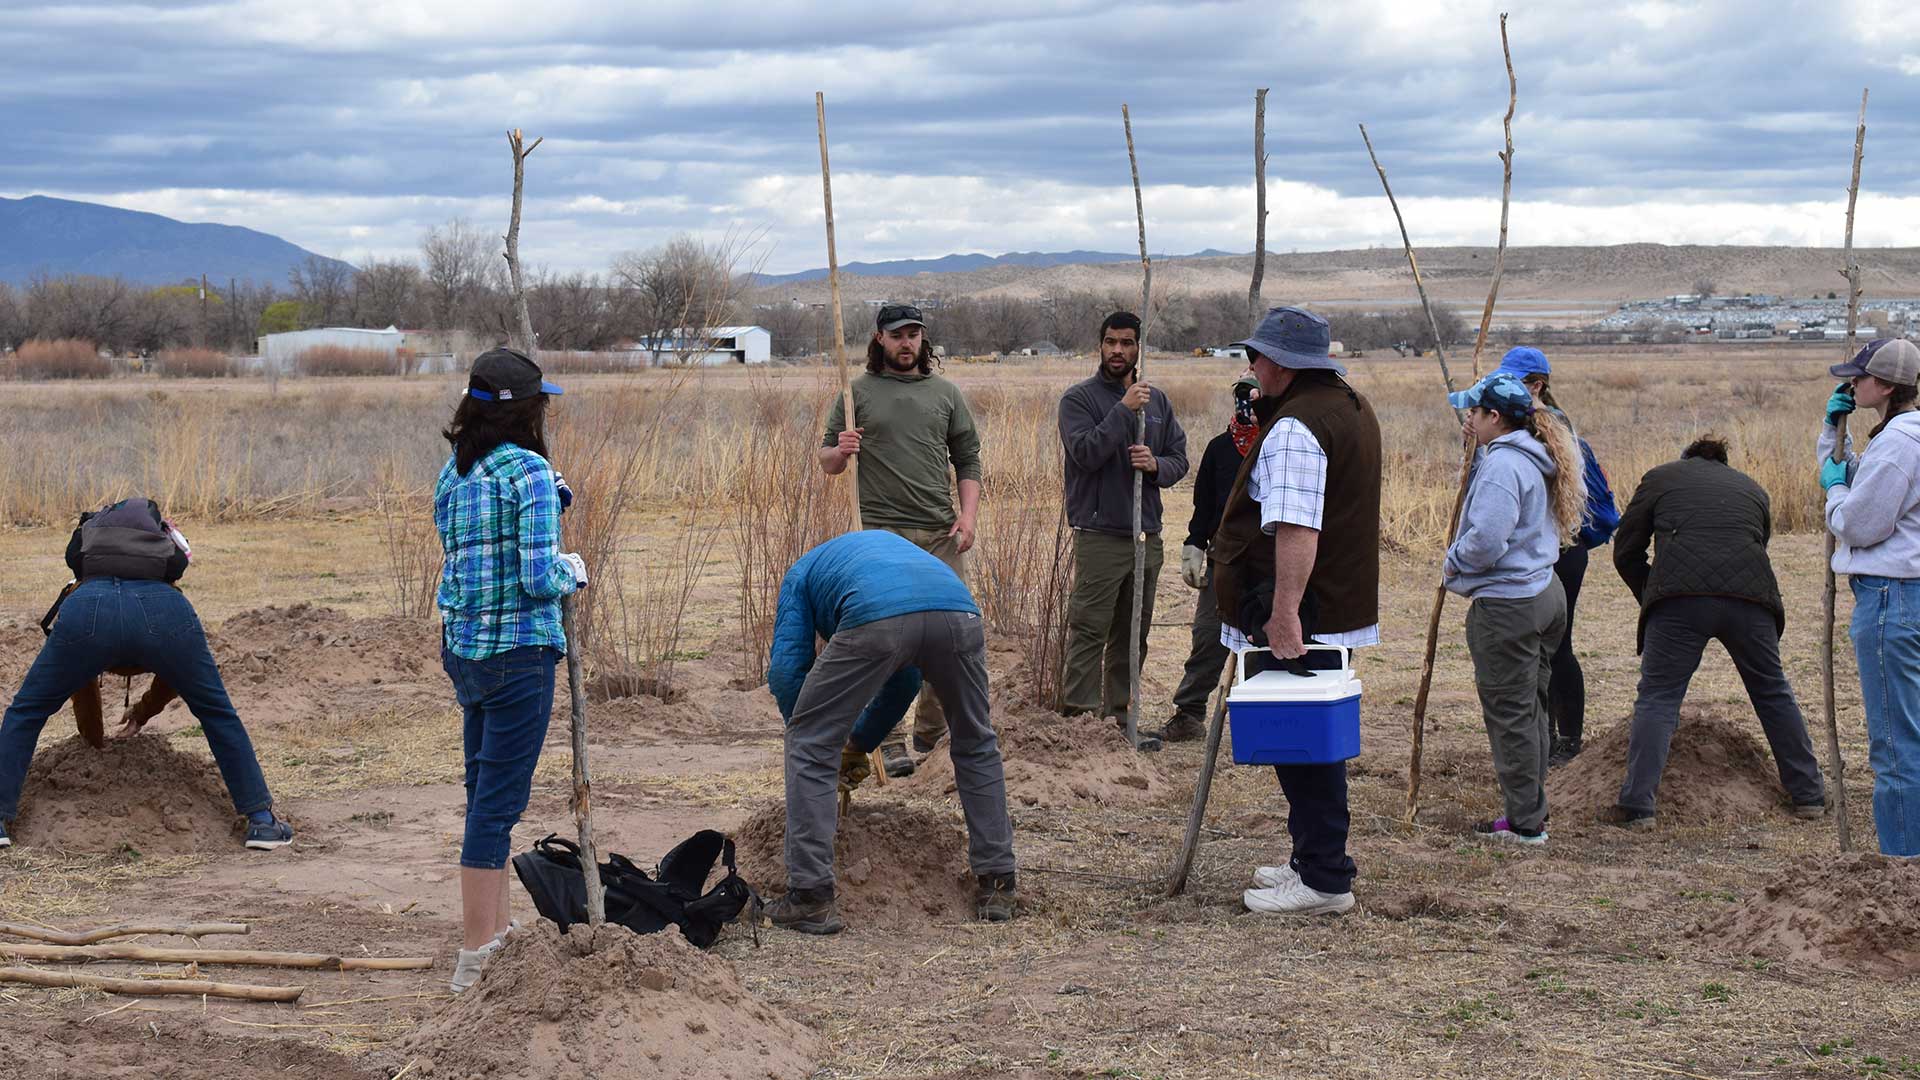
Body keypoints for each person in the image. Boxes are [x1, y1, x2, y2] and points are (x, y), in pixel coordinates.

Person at [1209, 307, 1380, 916]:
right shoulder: (1348, 406)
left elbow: (1298, 527)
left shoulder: (1296, 429)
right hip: (1328, 602)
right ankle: (1311, 859)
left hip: (1305, 611)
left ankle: (1325, 879)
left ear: (1281, 363)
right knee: (1304, 740)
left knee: (1304, 741)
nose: (1251, 367)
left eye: (1256, 356)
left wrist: (1284, 613)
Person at [0, 497, 292, 852]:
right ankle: (262, 823)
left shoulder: (85, 565)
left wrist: (95, 738)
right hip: (165, 611)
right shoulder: (166, 555)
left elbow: (80, 682)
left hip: (88, 610)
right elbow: (175, 677)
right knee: (217, 713)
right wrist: (143, 712)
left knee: (26, 711)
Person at [765, 530, 1017, 933]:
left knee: (808, 742)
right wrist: (857, 744)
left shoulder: (801, 574)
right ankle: (998, 884)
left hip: (877, 614)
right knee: (976, 740)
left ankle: (810, 897)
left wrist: (823, 744)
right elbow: (904, 680)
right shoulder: (884, 556)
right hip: (959, 613)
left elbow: (785, 671)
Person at [435, 347, 589, 992]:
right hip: (519, 654)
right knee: (496, 808)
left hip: (466, 652)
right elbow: (537, 576)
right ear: (527, 411)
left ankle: (495, 937)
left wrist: (553, 499)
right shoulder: (528, 469)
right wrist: (573, 570)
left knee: (484, 797)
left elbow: (477, 550)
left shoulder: (455, 472)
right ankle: (475, 956)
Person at [1608, 436, 1825, 828]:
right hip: (1751, 599)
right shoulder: (1753, 489)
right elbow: (1758, 542)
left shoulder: (1659, 478)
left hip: (1679, 601)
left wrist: (1653, 592)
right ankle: (1809, 795)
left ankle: (1638, 806)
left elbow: (1626, 550)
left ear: (1686, 459)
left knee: (1658, 697)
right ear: (1723, 463)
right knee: (1772, 691)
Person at [820, 303, 983, 777]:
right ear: (880, 339)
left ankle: (932, 734)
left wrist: (967, 517)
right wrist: (841, 450)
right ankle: (886, 739)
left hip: (940, 534)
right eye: (897, 335)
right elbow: (827, 462)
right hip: (880, 535)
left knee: (952, 635)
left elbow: (968, 459)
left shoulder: (945, 393)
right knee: (884, 639)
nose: (906, 342)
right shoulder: (856, 393)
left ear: (922, 339)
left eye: (913, 334)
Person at [1443, 371, 1585, 847]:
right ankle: (1531, 810)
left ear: (1495, 416)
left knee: (1512, 715)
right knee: (1531, 708)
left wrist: (1453, 561)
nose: (1469, 418)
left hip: (1510, 605)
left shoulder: (1504, 466)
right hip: (1543, 592)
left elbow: (1487, 540)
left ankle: (1525, 824)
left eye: (1475, 411)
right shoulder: (1532, 452)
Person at [1057, 311, 1189, 736]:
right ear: (1100, 345)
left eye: (1127, 343)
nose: (1118, 350)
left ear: (1138, 348)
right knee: (1089, 629)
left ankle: (1119, 721)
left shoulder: (1158, 402)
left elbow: (1179, 459)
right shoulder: (1078, 400)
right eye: (1111, 342)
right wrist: (1123, 409)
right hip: (1100, 536)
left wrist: (1155, 465)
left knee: (1132, 634)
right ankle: (1079, 724)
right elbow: (1086, 453)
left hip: (1145, 537)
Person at [1491, 346, 1618, 766]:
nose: (1506, 386)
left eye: (1515, 381)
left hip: (1562, 549)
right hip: (1538, 548)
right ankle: (1543, 736)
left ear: (1537, 385)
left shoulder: (1551, 426)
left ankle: (1567, 741)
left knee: (1557, 644)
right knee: (1535, 646)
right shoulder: (1515, 422)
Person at [1820, 337, 1920, 858]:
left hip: (1892, 599)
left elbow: (1858, 522)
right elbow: (1864, 485)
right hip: (1908, 593)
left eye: (1858, 378)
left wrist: (1835, 490)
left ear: (1883, 385)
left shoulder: (1901, 443)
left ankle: (1903, 870)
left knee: (1897, 747)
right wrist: (1833, 433)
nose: (1851, 385)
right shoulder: (1902, 437)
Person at [1164, 373, 1262, 742]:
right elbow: (1203, 504)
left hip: (1268, 560)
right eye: (1241, 395)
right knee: (1208, 636)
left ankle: (1263, 717)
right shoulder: (1220, 448)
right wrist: (1194, 544)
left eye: (1253, 395)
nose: (1246, 404)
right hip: (1223, 557)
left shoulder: (1279, 444)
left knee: (1263, 643)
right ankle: (1189, 714)